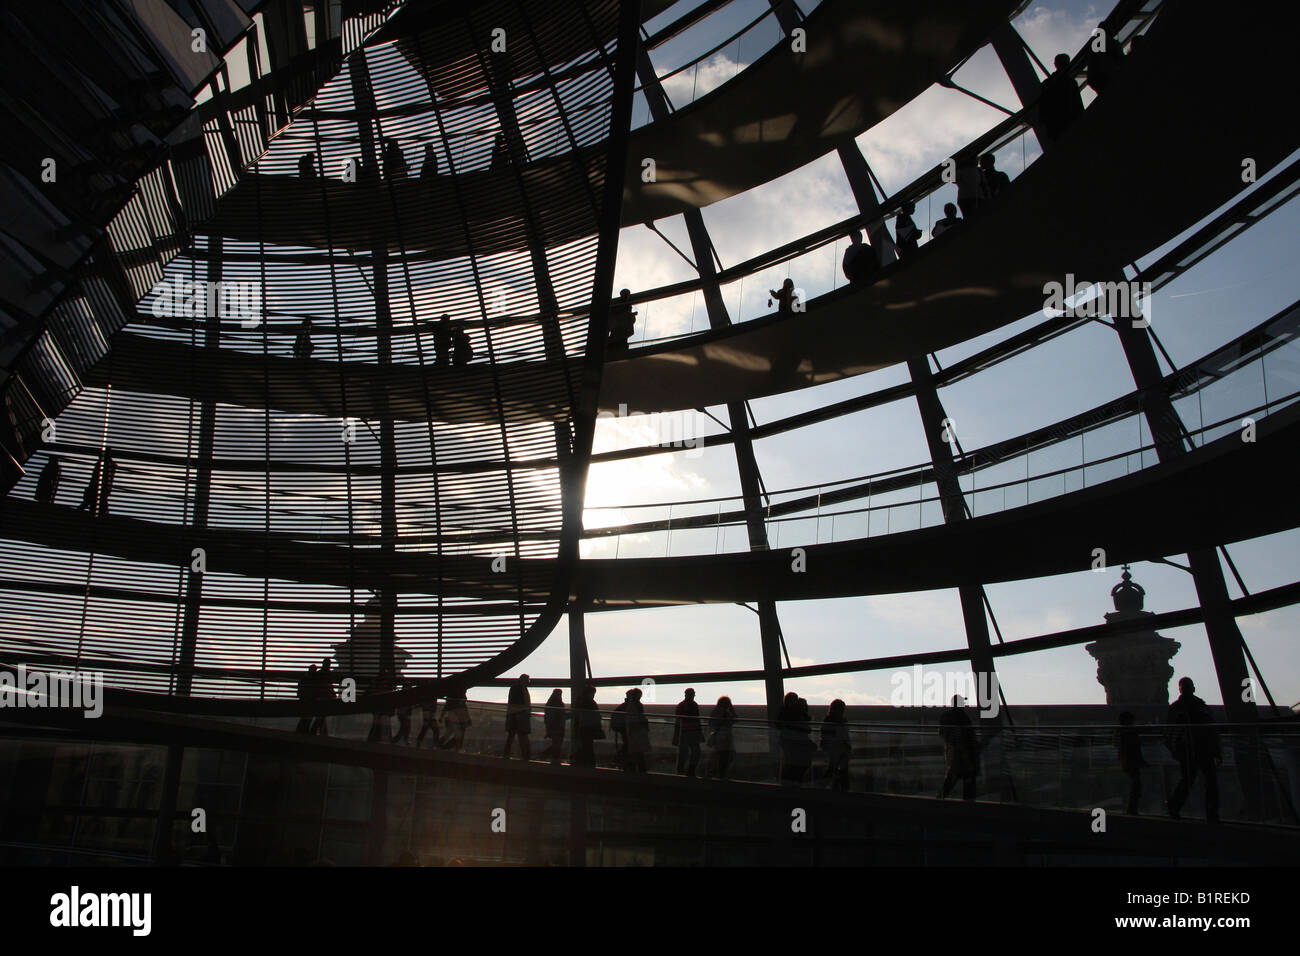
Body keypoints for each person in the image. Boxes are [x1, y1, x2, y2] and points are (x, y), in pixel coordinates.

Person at [1165, 677, 1220, 822]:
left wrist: (1173, 749)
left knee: (1191, 780)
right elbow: (1212, 729)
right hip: (1197, 749)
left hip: (1192, 749)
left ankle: (1174, 805)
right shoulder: (1200, 706)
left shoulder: (1178, 708)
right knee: (1206, 781)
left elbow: (1168, 731)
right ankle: (1211, 812)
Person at [938, 694, 979, 800]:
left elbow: (943, 733)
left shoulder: (946, 717)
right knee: (968, 782)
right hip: (963, 756)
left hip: (954, 755)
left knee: (951, 780)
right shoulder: (963, 718)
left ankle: (938, 802)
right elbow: (968, 738)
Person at [1038, 53, 1084, 142]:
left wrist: (1043, 120)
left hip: (1054, 123)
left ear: (1055, 65)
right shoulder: (1071, 82)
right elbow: (1077, 103)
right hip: (1069, 119)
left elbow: (1042, 104)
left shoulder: (1046, 84)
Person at [777, 692, 813, 786]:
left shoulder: (786, 714)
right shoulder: (793, 714)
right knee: (796, 765)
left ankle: (791, 784)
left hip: (793, 744)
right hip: (794, 744)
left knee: (792, 765)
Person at [1115, 710, 1147, 815]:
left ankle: (1131, 808)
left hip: (1128, 761)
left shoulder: (1123, 733)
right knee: (1136, 784)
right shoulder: (1128, 733)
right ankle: (1132, 808)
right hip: (1131, 762)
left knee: (1135, 784)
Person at [820, 698, 851, 791]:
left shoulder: (831, 721)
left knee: (836, 769)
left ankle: (830, 787)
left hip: (840, 748)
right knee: (838, 769)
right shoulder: (834, 722)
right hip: (835, 749)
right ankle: (841, 788)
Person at [1085, 26, 1125, 95]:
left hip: (1094, 77)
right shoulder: (1111, 42)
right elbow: (1120, 57)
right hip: (1106, 75)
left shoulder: (1091, 45)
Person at [673, 687, 704, 777]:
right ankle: (690, 770)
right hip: (690, 732)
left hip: (686, 732)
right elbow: (696, 720)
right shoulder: (693, 705)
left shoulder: (682, 705)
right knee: (694, 752)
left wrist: (676, 735)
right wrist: (699, 732)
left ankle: (681, 771)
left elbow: (678, 721)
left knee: (684, 753)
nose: (693, 696)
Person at [572, 685, 603, 767]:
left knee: (585, 745)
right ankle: (589, 763)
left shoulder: (580, 702)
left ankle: (582, 762)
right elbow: (597, 716)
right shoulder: (591, 703)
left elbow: (577, 715)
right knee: (588, 745)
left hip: (583, 727)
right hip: (589, 727)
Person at [79, 449, 116, 517]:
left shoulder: (105, 464)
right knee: (96, 504)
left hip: (97, 489)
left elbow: (96, 477)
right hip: (100, 490)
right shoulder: (110, 464)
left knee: (91, 502)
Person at [708, 696, 737, 780]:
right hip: (725, 738)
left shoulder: (715, 712)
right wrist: (731, 709)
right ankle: (722, 775)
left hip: (719, 738)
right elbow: (735, 719)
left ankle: (719, 774)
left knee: (721, 756)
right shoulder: (726, 713)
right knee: (726, 757)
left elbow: (711, 723)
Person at [504, 674, 532, 760]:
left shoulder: (515, 688)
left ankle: (507, 754)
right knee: (521, 736)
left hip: (514, 715)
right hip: (519, 715)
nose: (529, 682)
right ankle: (525, 755)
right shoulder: (521, 689)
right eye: (528, 680)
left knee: (512, 736)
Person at [624, 687, 650, 773]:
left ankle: (633, 769)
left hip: (634, 731)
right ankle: (641, 769)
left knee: (635, 751)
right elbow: (640, 718)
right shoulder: (638, 705)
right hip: (637, 731)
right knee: (638, 751)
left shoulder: (631, 705)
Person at [440, 684, 472, 750]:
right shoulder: (458, 697)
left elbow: (447, 706)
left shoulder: (456, 696)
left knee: (451, 733)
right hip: (457, 718)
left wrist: (442, 716)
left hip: (456, 718)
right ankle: (447, 748)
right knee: (457, 734)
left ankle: (443, 747)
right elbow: (463, 707)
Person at [367, 667, 394, 743]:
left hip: (379, 707)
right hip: (379, 707)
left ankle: (374, 739)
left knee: (378, 723)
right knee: (378, 723)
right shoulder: (381, 684)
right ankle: (374, 739)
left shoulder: (379, 684)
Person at [955, 155, 986, 219]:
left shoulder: (961, 170)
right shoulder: (977, 170)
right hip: (973, 197)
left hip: (967, 197)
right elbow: (984, 184)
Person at [606, 288, 636, 356]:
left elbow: (631, 320)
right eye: (624, 294)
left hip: (622, 331)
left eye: (626, 294)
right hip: (617, 330)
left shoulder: (628, 305)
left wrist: (630, 316)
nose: (625, 296)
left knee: (621, 344)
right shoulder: (616, 305)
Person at [542, 688, 567, 764]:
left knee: (556, 744)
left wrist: (548, 728)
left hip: (554, 727)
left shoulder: (550, 704)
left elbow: (549, 717)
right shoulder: (559, 704)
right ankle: (554, 758)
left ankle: (552, 758)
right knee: (557, 744)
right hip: (558, 727)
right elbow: (561, 716)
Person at [310, 659, 334, 736]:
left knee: (321, 715)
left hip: (321, 696)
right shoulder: (328, 673)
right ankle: (320, 732)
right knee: (322, 715)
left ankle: (318, 732)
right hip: (324, 697)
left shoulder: (320, 673)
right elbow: (329, 685)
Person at [296, 664, 319, 733]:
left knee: (305, 717)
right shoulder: (314, 680)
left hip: (306, 700)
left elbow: (300, 690)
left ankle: (301, 731)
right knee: (307, 717)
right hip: (310, 700)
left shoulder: (304, 679)